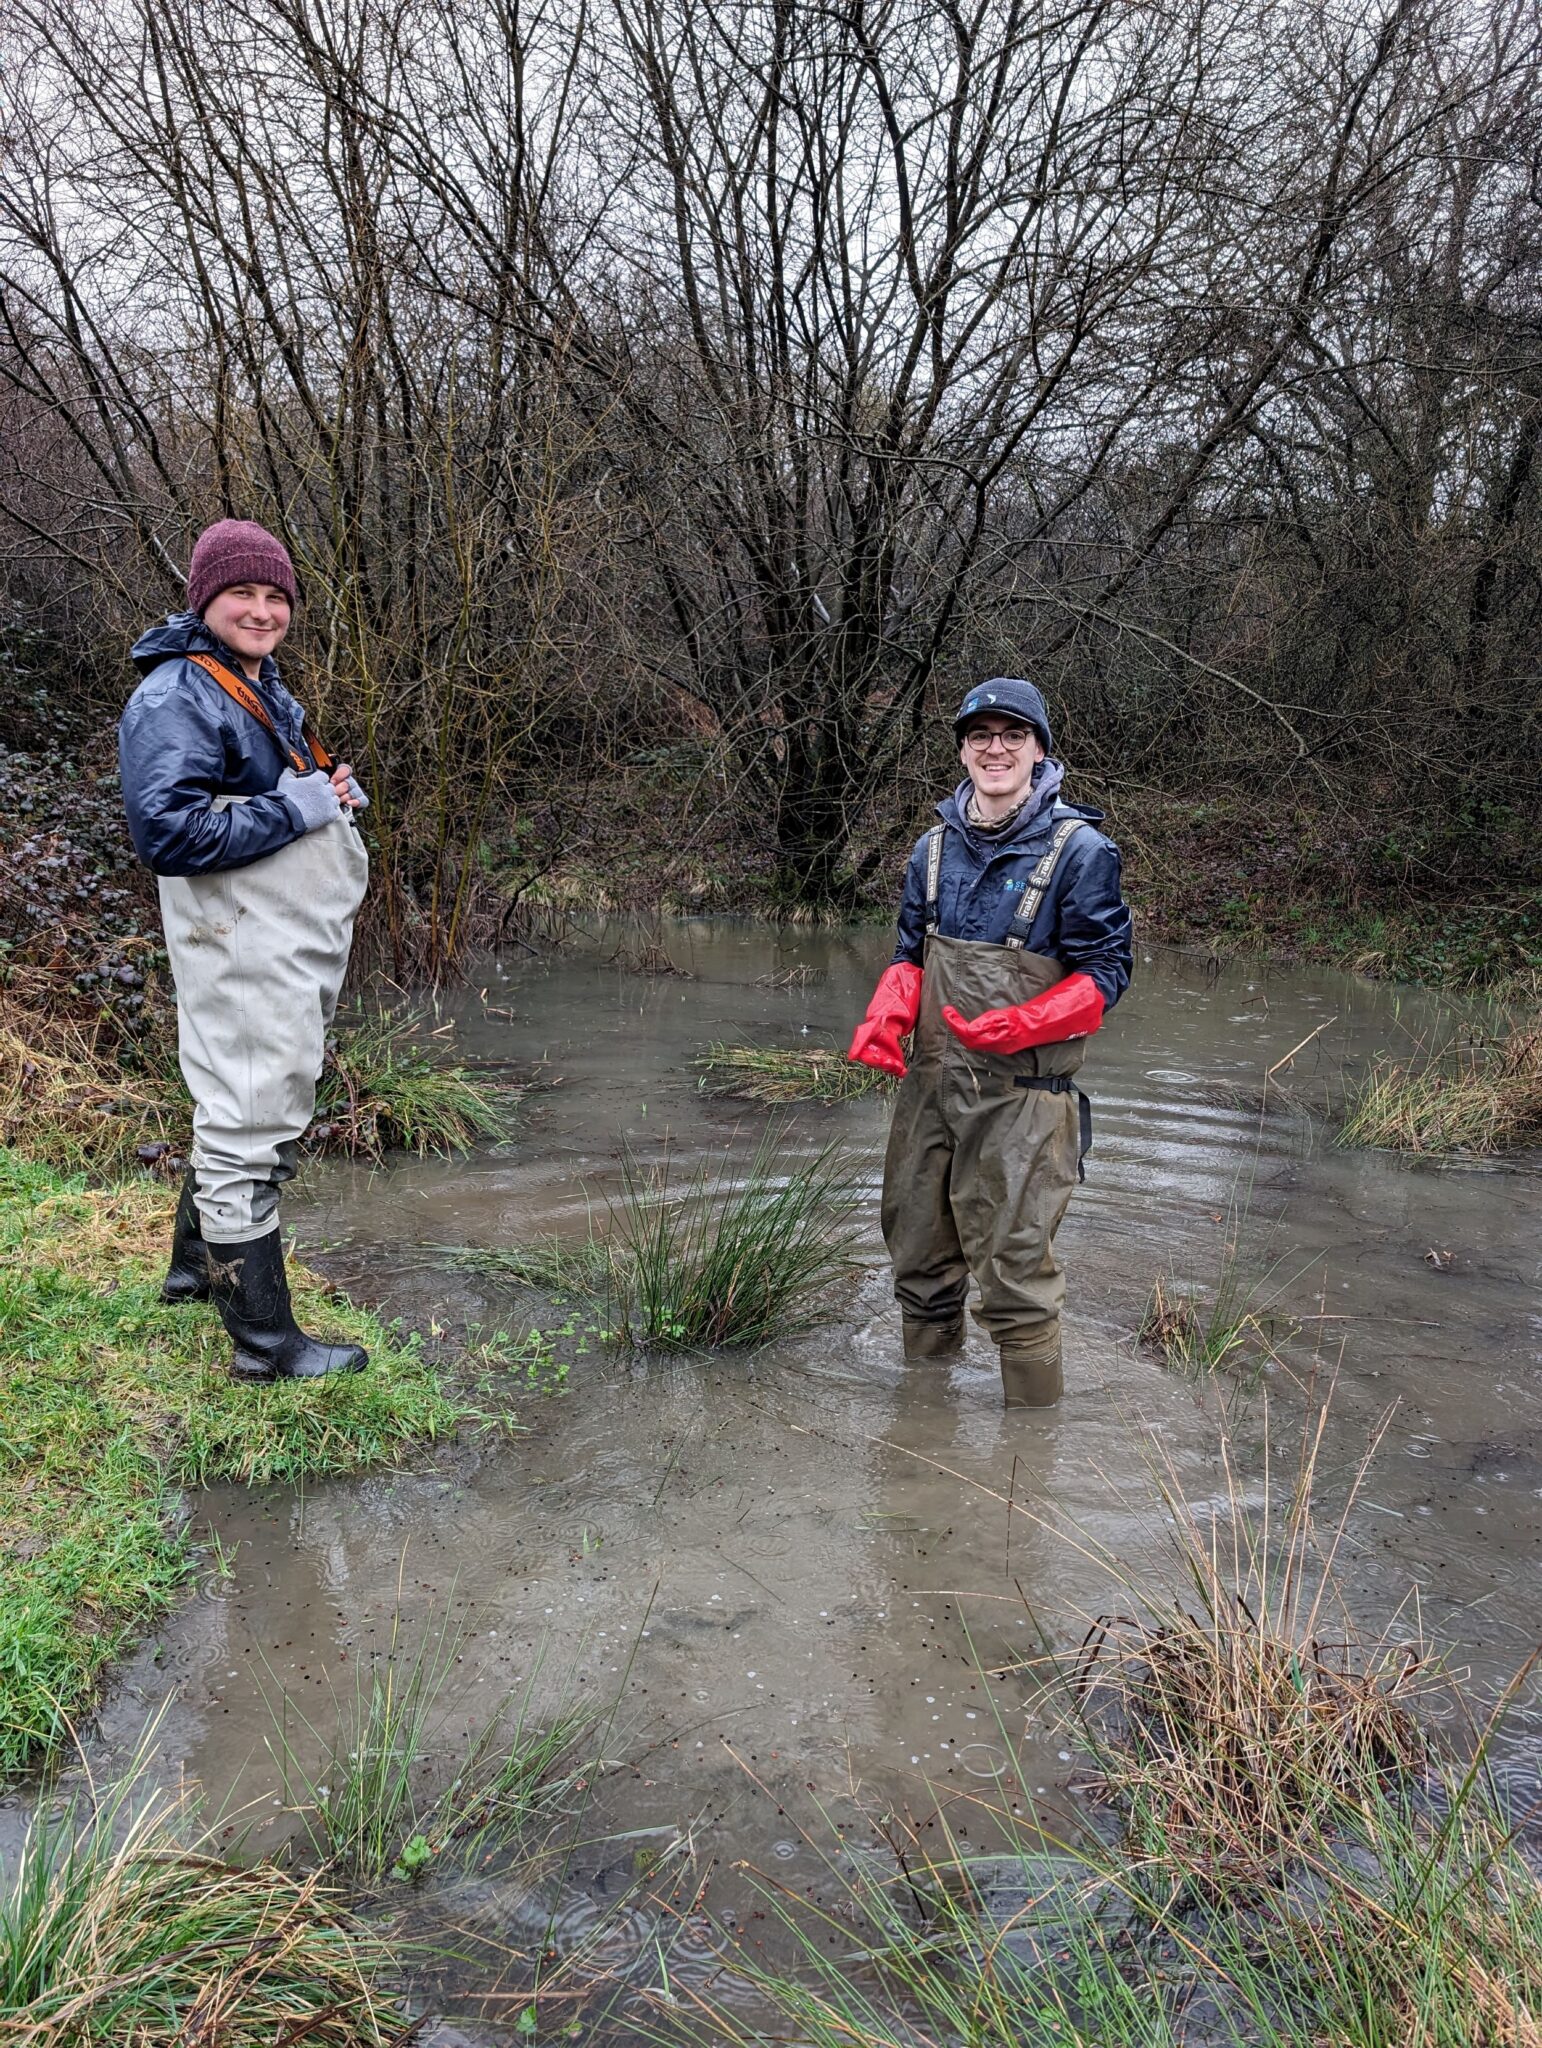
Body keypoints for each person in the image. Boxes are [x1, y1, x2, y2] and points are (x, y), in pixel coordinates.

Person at [118, 518, 371, 1380]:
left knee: (240, 1093)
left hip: (263, 937)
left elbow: (254, 790)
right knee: (250, 1119)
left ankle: (195, 1269)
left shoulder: (245, 683)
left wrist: (323, 789)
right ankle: (267, 1348)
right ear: (205, 599)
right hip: (237, 939)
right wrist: (297, 812)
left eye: (275, 596)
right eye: (242, 594)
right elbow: (168, 833)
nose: (262, 610)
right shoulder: (175, 694)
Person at [848, 678, 1132, 1407]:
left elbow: (1108, 971)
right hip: (932, 1092)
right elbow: (911, 953)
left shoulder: (1082, 851)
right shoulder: (931, 848)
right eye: (980, 735)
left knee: (1014, 1281)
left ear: (1039, 751)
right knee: (917, 1259)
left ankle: (1026, 1462)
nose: (995, 748)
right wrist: (889, 1008)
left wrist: (1032, 1020)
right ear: (963, 750)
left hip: (1024, 1103)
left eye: (1013, 735)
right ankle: (924, 1430)